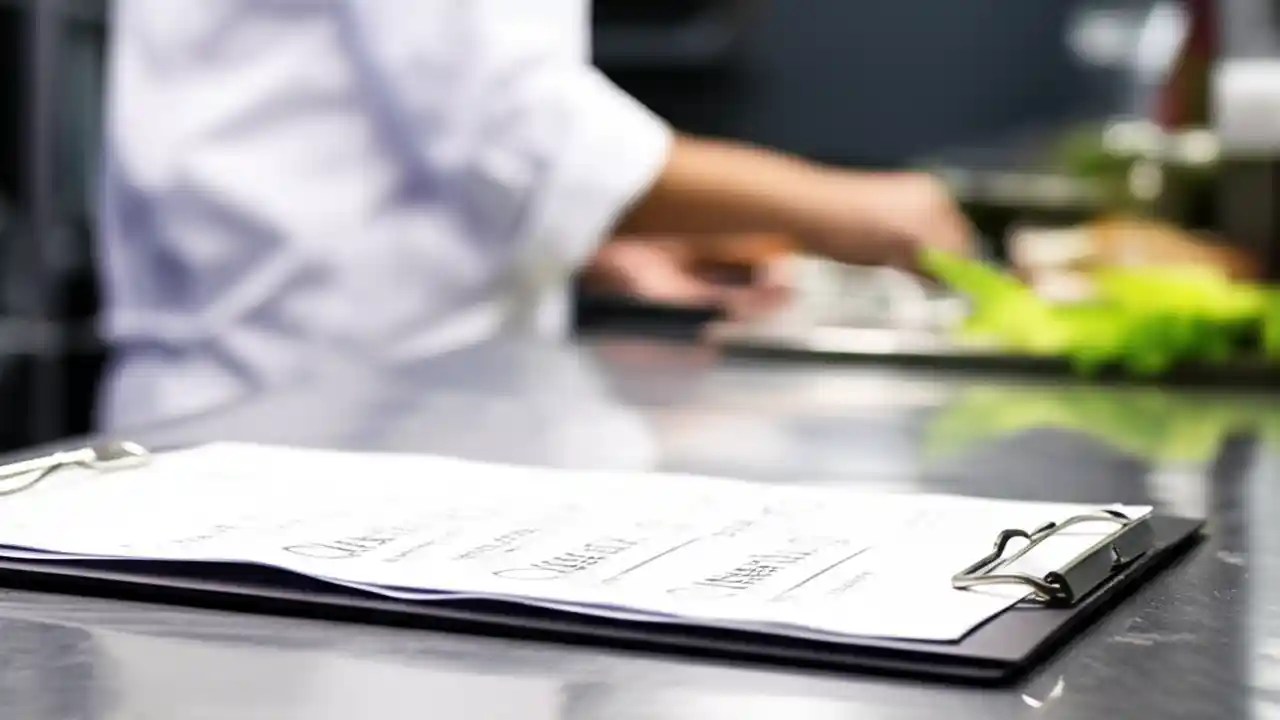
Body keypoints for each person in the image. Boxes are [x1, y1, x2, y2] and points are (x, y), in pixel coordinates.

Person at [98, 1, 972, 430]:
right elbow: (515, 129)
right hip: (293, 409)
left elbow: (375, 113)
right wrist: (836, 205)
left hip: (389, 398)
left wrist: (595, 248)